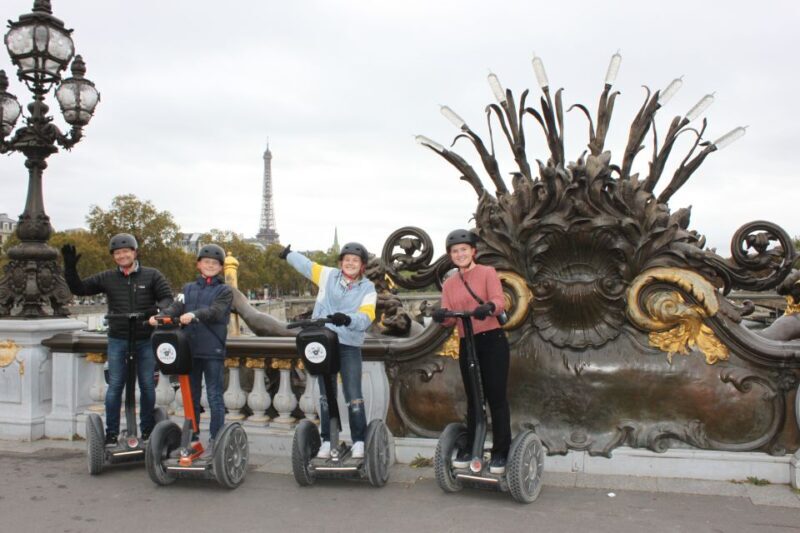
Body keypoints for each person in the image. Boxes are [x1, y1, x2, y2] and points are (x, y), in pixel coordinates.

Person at [62, 233, 173, 444]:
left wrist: (158, 311)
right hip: (118, 338)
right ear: (114, 256)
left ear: (135, 252)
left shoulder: (152, 275)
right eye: (117, 253)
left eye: (125, 251)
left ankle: (148, 430)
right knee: (114, 387)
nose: (122, 256)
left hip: (145, 338)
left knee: (148, 386)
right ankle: (111, 433)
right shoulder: (107, 278)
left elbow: (167, 298)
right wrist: (69, 269)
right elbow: (80, 289)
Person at [281, 242, 377, 459]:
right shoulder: (329, 275)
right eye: (347, 259)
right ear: (341, 262)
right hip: (324, 342)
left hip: (348, 344)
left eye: (355, 260)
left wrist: (348, 319)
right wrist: (289, 254)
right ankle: (327, 439)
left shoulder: (368, 288)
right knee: (326, 396)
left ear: (362, 265)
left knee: (353, 395)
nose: (350, 263)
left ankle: (359, 440)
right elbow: (307, 266)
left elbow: (367, 316)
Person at [431, 229, 511, 474]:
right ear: (450, 256)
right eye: (455, 251)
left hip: (492, 340)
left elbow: (500, 301)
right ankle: (471, 447)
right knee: (474, 398)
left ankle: (501, 451)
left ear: (473, 251)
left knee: (495, 397)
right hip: (468, 343)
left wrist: (488, 307)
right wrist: (440, 315)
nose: (460, 254)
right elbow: (447, 317)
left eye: (464, 249)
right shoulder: (450, 283)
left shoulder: (487, 273)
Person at [150, 244, 232, 451]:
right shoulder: (188, 289)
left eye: (214, 263)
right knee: (191, 396)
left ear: (220, 268)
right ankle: (193, 437)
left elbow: (216, 311)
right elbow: (176, 306)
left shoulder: (224, 291)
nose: (210, 266)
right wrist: (160, 317)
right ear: (199, 264)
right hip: (189, 350)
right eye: (206, 262)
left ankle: (216, 438)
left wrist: (195, 315)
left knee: (214, 396)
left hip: (212, 350)